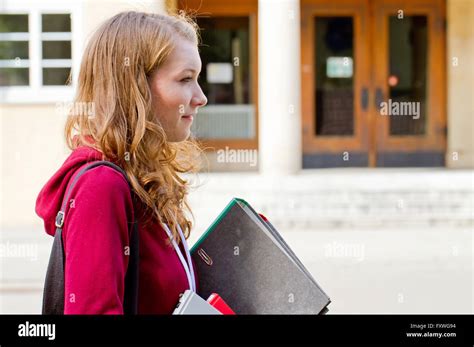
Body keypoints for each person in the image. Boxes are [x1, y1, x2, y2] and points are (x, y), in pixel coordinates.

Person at [35, 10, 208, 314]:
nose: (200, 97)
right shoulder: (101, 186)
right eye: (185, 79)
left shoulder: (140, 177)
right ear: (135, 88)